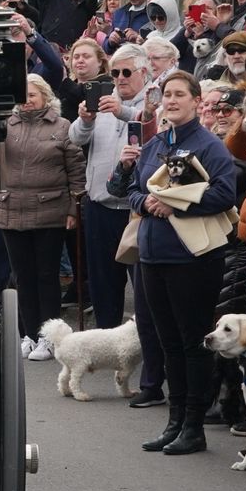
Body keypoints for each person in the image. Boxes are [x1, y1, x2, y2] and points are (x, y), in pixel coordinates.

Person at [130, 72, 239, 456]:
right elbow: (133, 189)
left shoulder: (210, 146)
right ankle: (174, 421)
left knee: (192, 342)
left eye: (179, 95)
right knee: (168, 342)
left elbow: (225, 195)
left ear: (197, 102)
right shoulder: (156, 143)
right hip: (152, 254)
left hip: (193, 258)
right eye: (167, 95)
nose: (171, 100)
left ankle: (194, 425)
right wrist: (144, 203)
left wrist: (175, 202)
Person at [0, 75, 83, 360]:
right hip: (11, 207)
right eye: (22, 95)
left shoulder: (62, 126)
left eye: (32, 95)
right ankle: (29, 334)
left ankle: (48, 337)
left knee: (46, 276)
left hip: (50, 209)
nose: (27, 100)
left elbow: (76, 170)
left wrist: (73, 209)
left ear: (45, 96)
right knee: (22, 277)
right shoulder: (8, 123)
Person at [69, 45, 154, 333]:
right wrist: (86, 119)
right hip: (100, 204)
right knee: (103, 282)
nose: (119, 78)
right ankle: (105, 339)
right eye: (115, 72)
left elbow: (153, 128)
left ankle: (147, 344)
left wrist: (123, 112)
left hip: (136, 210)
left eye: (126, 72)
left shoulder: (153, 102)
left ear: (143, 72)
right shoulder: (103, 100)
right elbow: (74, 137)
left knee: (142, 285)